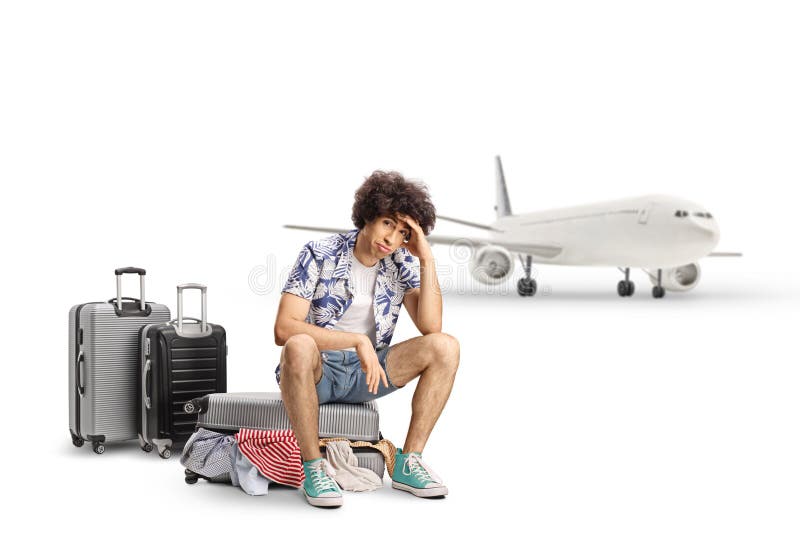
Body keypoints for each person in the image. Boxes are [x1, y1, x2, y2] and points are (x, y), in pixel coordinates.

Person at [273, 170, 460, 507]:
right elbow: (284, 328)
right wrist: (357, 341)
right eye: (389, 223)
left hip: (368, 373)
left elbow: (431, 327)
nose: (392, 238)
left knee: (445, 347)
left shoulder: (401, 262)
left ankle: (409, 462)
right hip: (320, 370)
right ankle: (314, 468)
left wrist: (426, 257)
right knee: (298, 344)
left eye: (403, 233)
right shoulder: (320, 252)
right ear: (370, 214)